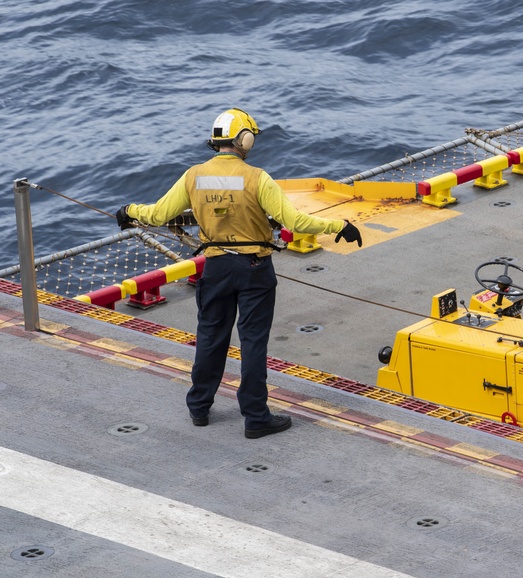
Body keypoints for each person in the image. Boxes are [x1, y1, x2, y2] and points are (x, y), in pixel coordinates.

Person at [116, 108, 362, 439]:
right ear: (244, 139)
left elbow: (159, 214)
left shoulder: (193, 176)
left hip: (216, 267)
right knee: (252, 343)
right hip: (254, 270)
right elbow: (297, 222)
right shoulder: (258, 178)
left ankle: (199, 407)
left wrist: (129, 211)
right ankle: (256, 417)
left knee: (210, 337)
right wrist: (339, 226)